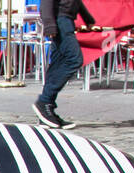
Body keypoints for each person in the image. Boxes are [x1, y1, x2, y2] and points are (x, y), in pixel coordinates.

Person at [34, 0, 97, 130]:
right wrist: (50, 24)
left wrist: (87, 18)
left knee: (58, 63)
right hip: (59, 21)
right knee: (74, 60)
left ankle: (46, 111)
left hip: (66, 21)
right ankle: (44, 101)